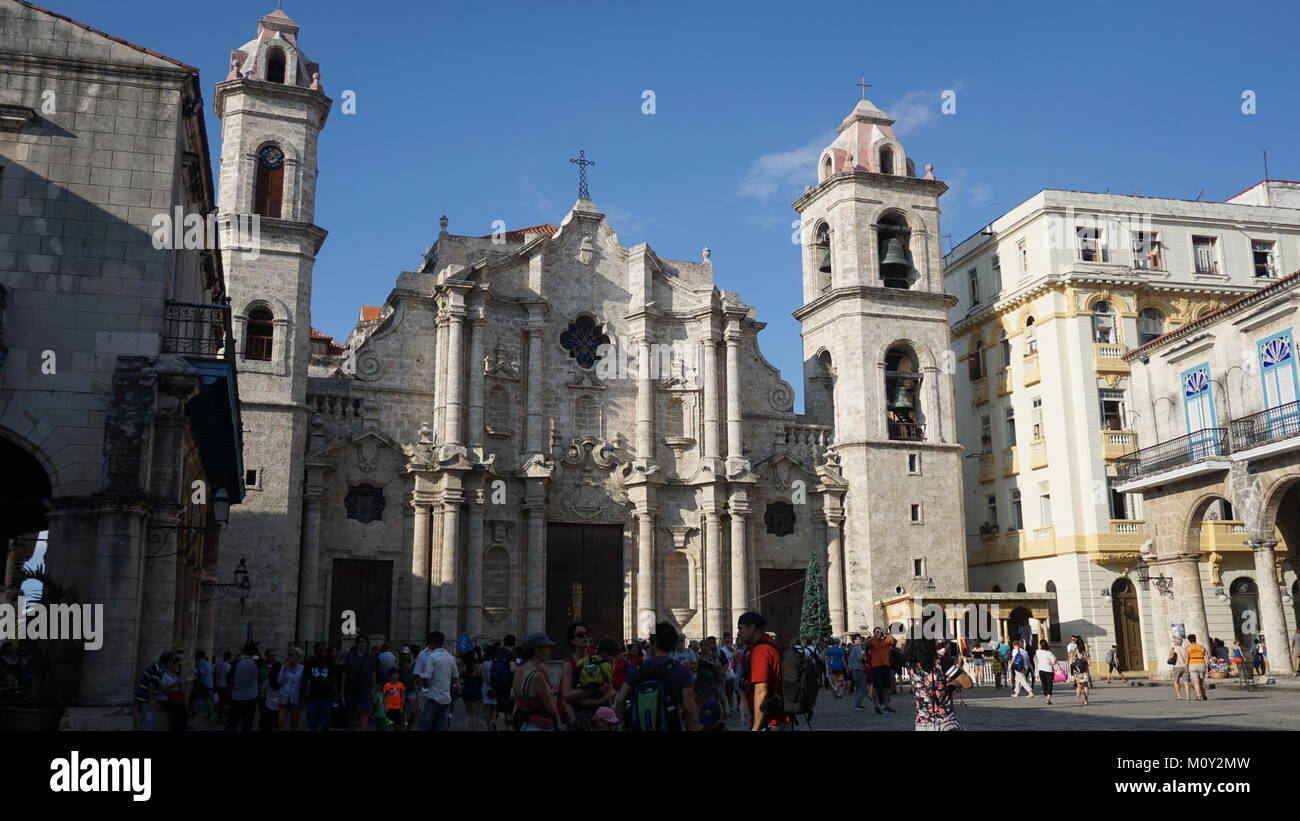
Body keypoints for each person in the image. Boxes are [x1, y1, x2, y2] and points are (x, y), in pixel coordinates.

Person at [616, 622, 696, 731]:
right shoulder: (682, 671)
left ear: (654, 642)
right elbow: (688, 707)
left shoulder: (638, 668)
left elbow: (620, 700)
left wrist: (624, 726)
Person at [735, 611, 792, 731]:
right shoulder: (772, 644)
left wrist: (755, 727)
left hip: (769, 720)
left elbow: (761, 691)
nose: (738, 633)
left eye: (740, 628)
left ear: (752, 627)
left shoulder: (761, 651)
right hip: (780, 716)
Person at [904, 638, 974, 730]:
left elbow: (930, 682)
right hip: (944, 722)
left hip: (922, 724)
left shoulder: (910, 665)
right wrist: (958, 666)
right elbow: (968, 684)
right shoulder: (941, 662)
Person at [512, 632, 560, 731]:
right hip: (539, 726)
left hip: (523, 725)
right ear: (536, 650)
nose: (550, 651)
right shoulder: (537, 676)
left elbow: (513, 695)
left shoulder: (519, 670)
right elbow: (551, 709)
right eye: (547, 648)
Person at [413, 631, 456, 731]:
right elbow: (417, 673)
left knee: (434, 723)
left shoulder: (446, 656)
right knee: (428, 722)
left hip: (440, 694)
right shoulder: (423, 654)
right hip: (426, 693)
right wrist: (422, 688)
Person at [560, 621, 595, 729]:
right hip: (579, 714)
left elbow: (610, 690)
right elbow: (566, 694)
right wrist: (592, 689)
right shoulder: (569, 664)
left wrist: (597, 701)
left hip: (598, 713)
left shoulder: (596, 658)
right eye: (580, 635)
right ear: (572, 640)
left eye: (587, 634)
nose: (585, 637)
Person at [342, 637, 376, 731]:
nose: (364, 643)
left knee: (364, 711)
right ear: (357, 644)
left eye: (365, 642)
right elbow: (345, 673)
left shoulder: (370, 656)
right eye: (361, 642)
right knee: (352, 712)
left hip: (365, 687)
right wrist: (342, 689)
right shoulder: (350, 656)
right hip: (351, 687)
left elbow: (373, 672)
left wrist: (373, 689)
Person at [225, 643, 260, 732]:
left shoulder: (236, 662)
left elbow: (229, 680)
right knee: (247, 724)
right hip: (251, 697)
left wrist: (230, 694)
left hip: (237, 697)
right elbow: (265, 659)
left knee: (232, 723)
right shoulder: (257, 663)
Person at [133, 651, 171, 732]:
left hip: (143, 697)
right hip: (145, 699)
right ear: (168, 662)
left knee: (151, 723)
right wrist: (151, 701)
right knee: (148, 724)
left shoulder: (156, 667)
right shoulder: (158, 670)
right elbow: (151, 686)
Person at [304, 644, 335, 732]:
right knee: (313, 725)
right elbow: (305, 679)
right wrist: (303, 694)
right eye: (320, 650)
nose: (322, 652)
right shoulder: (310, 663)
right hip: (312, 697)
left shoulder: (329, 663)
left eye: (324, 650)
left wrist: (335, 695)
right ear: (315, 651)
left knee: (326, 724)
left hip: (326, 697)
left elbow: (333, 679)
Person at [866, 627, 897, 714]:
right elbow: (865, 644)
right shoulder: (872, 642)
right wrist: (874, 636)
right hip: (876, 666)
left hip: (885, 666)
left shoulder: (886, 641)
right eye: (877, 631)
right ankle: (876, 705)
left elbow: (894, 642)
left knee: (887, 687)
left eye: (880, 631)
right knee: (876, 687)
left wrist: (887, 634)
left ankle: (886, 706)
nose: (879, 633)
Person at [277, 647, 306, 730]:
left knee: (293, 723)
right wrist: (285, 670)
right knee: (280, 721)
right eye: (289, 655)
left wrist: (302, 698)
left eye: (292, 655)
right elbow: (279, 681)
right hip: (284, 696)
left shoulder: (302, 668)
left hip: (296, 698)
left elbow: (303, 684)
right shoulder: (284, 667)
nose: (290, 656)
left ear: (298, 656)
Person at [694, 636, 725, 706]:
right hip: (701, 681)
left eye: (705, 649)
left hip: (712, 682)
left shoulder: (713, 656)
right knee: (701, 699)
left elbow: (718, 665)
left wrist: (709, 663)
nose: (703, 651)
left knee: (713, 699)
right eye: (702, 649)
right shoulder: (698, 656)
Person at [459, 647, 484, 731]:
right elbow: (484, 678)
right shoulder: (479, 666)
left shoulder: (464, 667)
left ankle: (466, 729)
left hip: (467, 690)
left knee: (468, 714)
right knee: (475, 715)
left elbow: (460, 678)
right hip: (476, 690)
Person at [719, 633, 741, 715]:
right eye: (726, 639)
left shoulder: (735, 648)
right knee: (729, 692)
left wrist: (734, 651)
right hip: (728, 673)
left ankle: (739, 706)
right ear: (723, 640)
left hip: (737, 672)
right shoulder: (722, 650)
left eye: (728, 638)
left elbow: (739, 658)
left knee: (738, 691)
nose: (727, 640)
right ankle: (731, 707)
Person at [847, 634, 868, 709]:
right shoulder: (857, 648)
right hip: (858, 669)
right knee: (862, 687)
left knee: (858, 687)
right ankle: (857, 704)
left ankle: (857, 704)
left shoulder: (851, 648)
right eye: (858, 639)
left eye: (860, 639)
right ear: (854, 640)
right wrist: (865, 653)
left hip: (853, 669)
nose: (860, 640)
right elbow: (860, 658)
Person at [190, 650, 213, 720]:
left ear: (199, 655)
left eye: (196, 654)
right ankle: (210, 713)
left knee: (195, 698)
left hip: (203, 683)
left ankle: (195, 713)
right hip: (208, 683)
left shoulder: (200, 663)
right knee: (206, 698)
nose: (195, 656)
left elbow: (200, 673)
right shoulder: (206, 662)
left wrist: (194, 672)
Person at [1186, 634, 1209, 701]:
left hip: (1192, 664)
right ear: (1195, 639)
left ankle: (1198, 696)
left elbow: (1187, 657)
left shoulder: (1188, 647)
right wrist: (1208, 664)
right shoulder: (1201, 647)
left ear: (1189, 640)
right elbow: (1207, 656)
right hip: (1201, 663)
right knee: (1201, 682)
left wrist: (1186, 666)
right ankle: (1204, 695)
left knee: (1196, 682)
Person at [381, 667, 405, 731]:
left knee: (398, 725)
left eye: (397, 674)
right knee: (389, 725)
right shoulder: (386, 685)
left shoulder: (401, 685)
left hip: (398, 708)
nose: (396, 676)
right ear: (390, 676)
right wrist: (385, 707)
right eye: (394, 674)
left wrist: (402, 707)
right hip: (389, 708)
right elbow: (384, 697)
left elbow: (403, 697)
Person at [1035, 639, 1057, 704]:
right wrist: (1054, 660)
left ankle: (1046, 697)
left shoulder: (1037, 651)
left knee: (1044, 684)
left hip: (1041, 669)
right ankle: (1048, 697)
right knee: (1049, 684)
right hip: (1048, 670)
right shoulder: (1049, 653)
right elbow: (1053, 662)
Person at [1169, 637, 1191, 701]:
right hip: (1184, 667)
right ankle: (1188, 696)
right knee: (1186, 682)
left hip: (1177, 667)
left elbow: (1170, 657)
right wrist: (1186, 666)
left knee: (1176, 681)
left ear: (1176, 642)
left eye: (1174, 642)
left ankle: (1179, 696)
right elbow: (1187, 658)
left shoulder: (1173, 648)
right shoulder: (1185, 649)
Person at [213, 650, 231, 722]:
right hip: (225, 686)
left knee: (220, 702)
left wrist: (214, 684)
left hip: (218, 685)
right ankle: (222, 717)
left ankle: (219, 716)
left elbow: (214, 674)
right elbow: (228, 677)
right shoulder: (228, 666)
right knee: (224, 702)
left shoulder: (218, 664)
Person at [1071, 640, 1091, 705]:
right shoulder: (1085, 653)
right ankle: (1086, 700)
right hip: (1084, 670)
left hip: (1077, 671)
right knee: (1085, 686)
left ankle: (1079, 698)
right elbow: (1089, 663)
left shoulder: (1074, 651)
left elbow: (1072, 661)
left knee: (1079, 686)